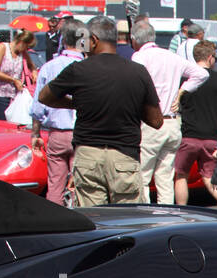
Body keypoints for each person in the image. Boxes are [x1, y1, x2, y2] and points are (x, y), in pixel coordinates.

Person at [39, 16, 162, 206]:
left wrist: (75, 103)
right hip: (124, 156)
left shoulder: (79, 69)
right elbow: (156, 121)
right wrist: (131, 104)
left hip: (88, 155)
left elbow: (45, 96)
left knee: (96, 221)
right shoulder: (137, 71)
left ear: (94, 40)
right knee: (127, 221)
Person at [132, 18, 207, 204]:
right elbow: (202, 73)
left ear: (135, 39)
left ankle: (143, 216)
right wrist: (182, 91)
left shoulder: (140, 58)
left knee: (142, 174)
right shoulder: (172, 57)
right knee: (165, 176)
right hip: (173, 123)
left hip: (151, 123)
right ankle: (165, 216)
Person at [31, 18, 87, 205]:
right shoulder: (89, 66)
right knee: (82, 186)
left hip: (57, 134)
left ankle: (55, 224)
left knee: (55, 184)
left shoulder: (49, 67)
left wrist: (35, 133)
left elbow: (38, 108)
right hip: (83, 133)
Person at [174, 40, 217, 208]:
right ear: (210, 57)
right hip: (211, 136)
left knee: (180, 174)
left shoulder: (186, 79)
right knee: (209, 174)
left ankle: (182, 208)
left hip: (188, 135)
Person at [0, 31, 38, 122]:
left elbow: (32, 66)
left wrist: (34, 73)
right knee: (1, 124)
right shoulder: (3, 47)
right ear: (21, 42)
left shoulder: (22, 53)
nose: (27, 50)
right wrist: (13, 80)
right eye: (26, 47)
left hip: (15, 96)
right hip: (0, 95)